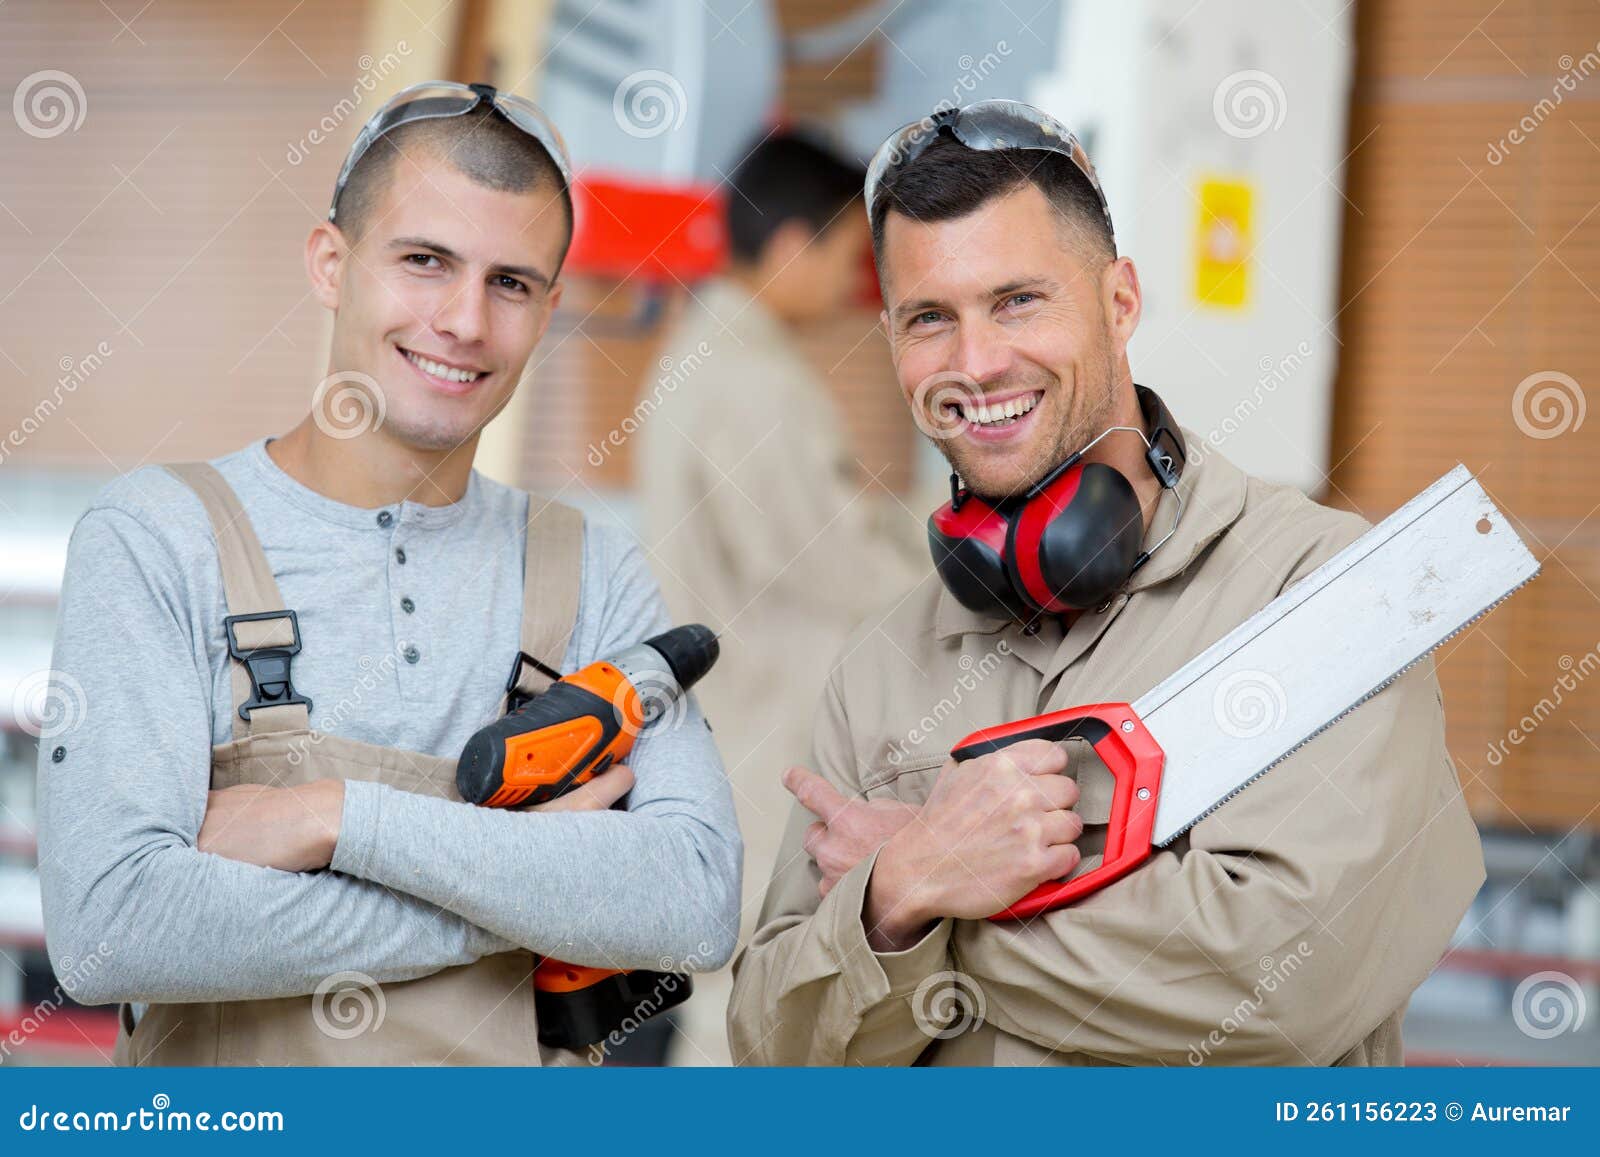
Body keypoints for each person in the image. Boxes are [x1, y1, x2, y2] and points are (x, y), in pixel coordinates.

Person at [726, 101, 1484, 1066]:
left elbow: (1281, 992)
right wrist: (897, 894)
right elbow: (774, 1050)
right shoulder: (881, 660)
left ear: (1120, 301)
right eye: (930, 319)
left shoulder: (1319, 589)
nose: (976, 362)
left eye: (1018, 301)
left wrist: (933, 890)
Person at [35, 82, 741, 1067]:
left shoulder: (589, 569)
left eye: (511, 282)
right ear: (331, 262)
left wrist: (330, 818)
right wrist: (526, 899)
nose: (462, 320)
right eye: (425, 262)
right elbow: (110, 925)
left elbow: (691, 902)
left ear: (547, 309)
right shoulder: (160, 536)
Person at [633, 131, 926, 1062]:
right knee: (753, 987)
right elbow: (836, 562)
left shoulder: (708, 353)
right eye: (846, 256)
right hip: (763, 728)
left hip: (735, 717)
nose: (852, 285)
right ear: (793, 243)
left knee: (743, 981)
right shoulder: (749, 383)